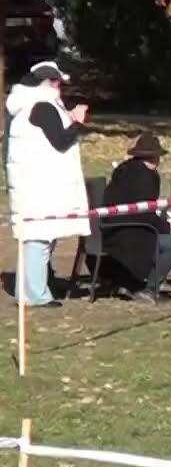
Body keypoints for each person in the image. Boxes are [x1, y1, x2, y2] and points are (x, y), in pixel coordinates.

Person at [4, 61, 89, 309]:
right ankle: (35, 294)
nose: (60, 87)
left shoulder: (29, 106)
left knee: (38, 238)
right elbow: (60, 141)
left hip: (34, 180)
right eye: (58, 83)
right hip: (40, 183)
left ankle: (31, 289)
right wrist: (78, 122)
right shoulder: (42, 106)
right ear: (49, 83)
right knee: (39, 238)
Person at [98, 133, 171, 304]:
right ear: (156, 157)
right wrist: (168, 227)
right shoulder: (146, 177)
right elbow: (145, 214)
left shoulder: (123, 170)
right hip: (132, 233)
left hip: (110, 230)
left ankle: (128, 282)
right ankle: (150, 288)